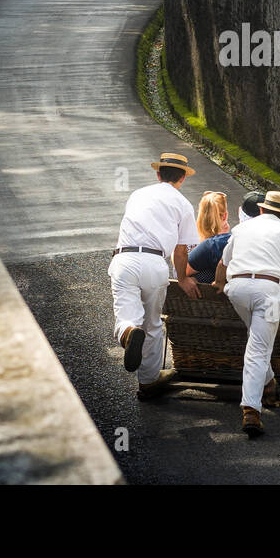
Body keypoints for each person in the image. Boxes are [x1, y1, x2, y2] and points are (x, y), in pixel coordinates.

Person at [109, 152, 201, 400]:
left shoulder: (138, 194)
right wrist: (181, 278)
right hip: (155, 262)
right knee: (153, 324)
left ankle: (128, 332)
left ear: (158, 174)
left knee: (127, 315)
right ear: (182, 178)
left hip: (124, 258)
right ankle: (148, 381)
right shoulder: (183, 204)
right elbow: (181, 251)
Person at [214, 190, 280, 438]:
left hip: (237, 289)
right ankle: (251, 408)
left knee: (257, 339)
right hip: (270, 292)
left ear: (261, 210)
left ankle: (269, 384)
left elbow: (224, 263)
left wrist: (220, 284)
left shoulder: (241, 229)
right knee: (259, 348)